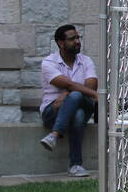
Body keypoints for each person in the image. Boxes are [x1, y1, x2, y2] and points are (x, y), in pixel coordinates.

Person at [38, 24, 98, 178]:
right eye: (72, 39)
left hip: (83, 104)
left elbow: (92, 84)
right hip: (53, 111)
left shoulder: (86, 61)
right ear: (60, 43)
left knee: (76, 97)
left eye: (78, 38)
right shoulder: (49, 63)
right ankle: (76, 165)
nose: (77, 41)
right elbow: (69, 84)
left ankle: (54, 136)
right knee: (77, 114)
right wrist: (74, 89)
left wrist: (65, 93)